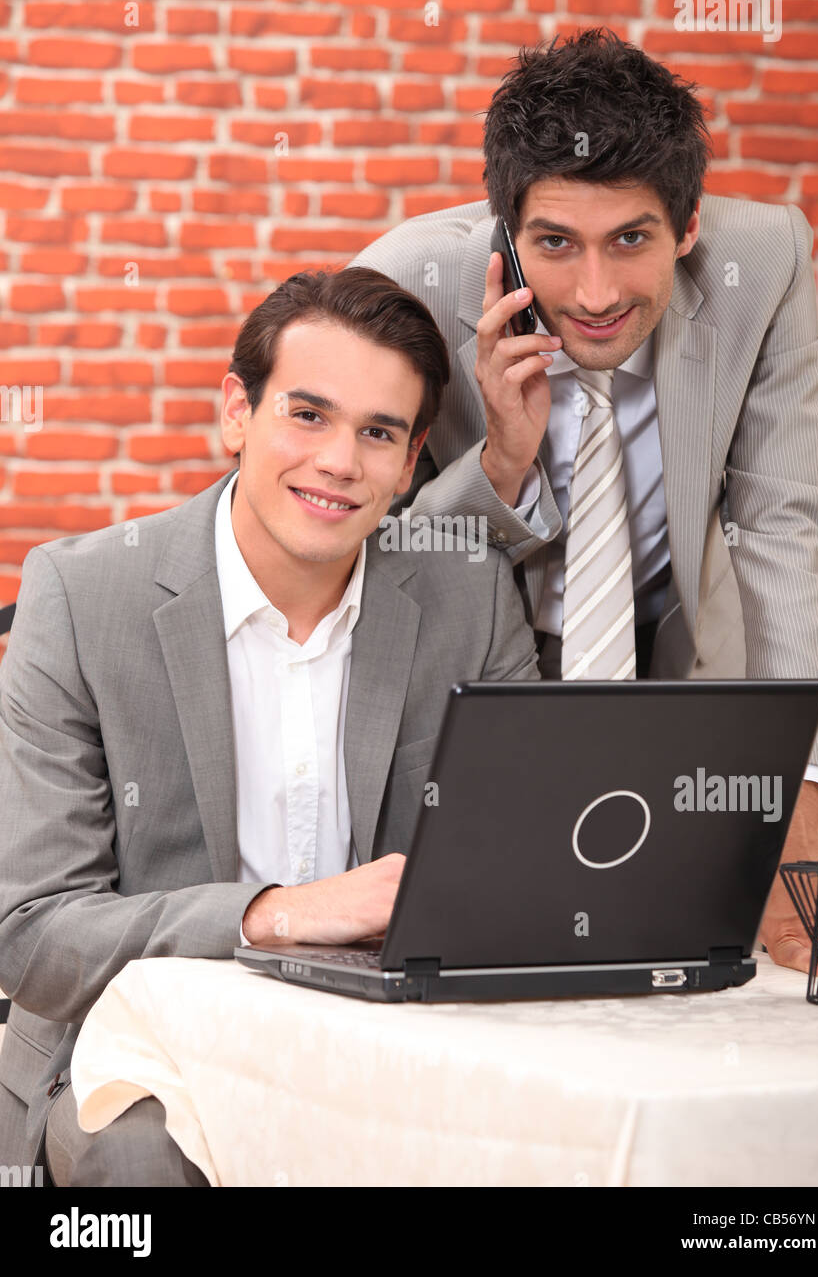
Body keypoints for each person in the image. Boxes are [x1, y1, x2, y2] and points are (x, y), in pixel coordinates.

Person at [0, 266, 539, 1187]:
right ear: (236, 413)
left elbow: (526, 869)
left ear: (410, 464)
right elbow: (34, 933)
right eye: (308, 414)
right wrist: (274, 915)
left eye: (378, 433)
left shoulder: (473, 602)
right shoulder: (83, 597)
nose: (339, 461)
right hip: (142, 1053)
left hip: (395, 1045)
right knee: (138, 1162)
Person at [347, 26, 818, 975]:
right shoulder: (402, 283)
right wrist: (500, 462)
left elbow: (790, 521)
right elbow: (362, 563)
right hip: (463, 710)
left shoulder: (765, 263)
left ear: (689, 224)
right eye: (554, 243)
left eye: (631, 240)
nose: (594, 292)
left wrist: (803, 808)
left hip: (672, 707)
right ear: (504, 232)